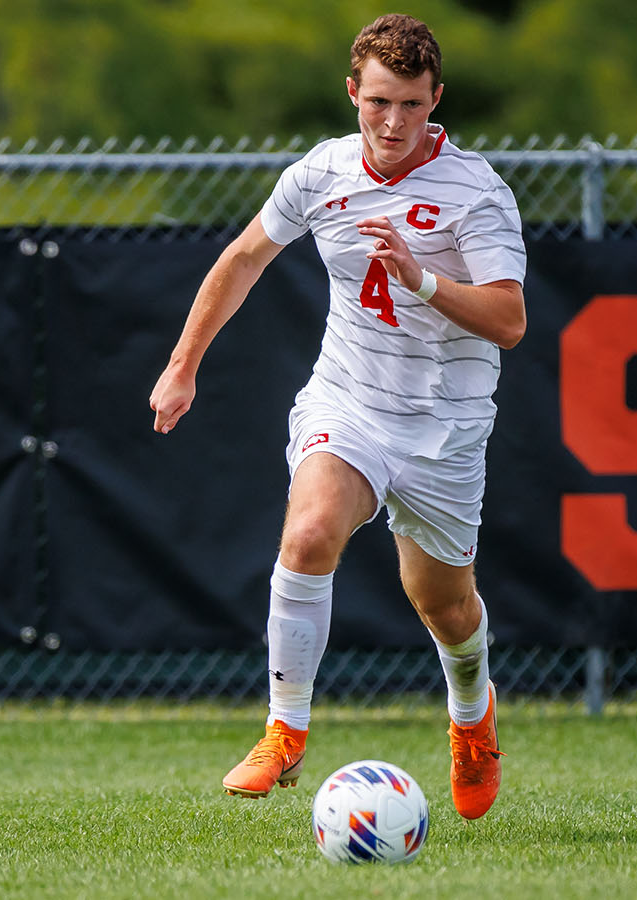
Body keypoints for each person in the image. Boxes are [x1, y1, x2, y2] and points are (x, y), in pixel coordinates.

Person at [148, 13, 525, 821]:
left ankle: (472, 718)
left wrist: (421, 279)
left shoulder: (477, 191)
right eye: (379, 101)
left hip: (446, 426)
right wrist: (183, 365)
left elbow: (509, 320)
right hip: (349, 400)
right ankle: (285, 729)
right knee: (310, 531)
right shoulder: (320, 172)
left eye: (412, 104)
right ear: (353, 91)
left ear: (436, 101)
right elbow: (244, 257)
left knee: (445, 606)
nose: (393, 122)